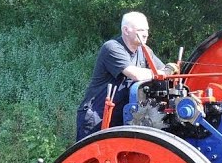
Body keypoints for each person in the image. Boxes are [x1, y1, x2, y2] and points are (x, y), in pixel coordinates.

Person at [74, 11, 178, 142]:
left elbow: (164, 71)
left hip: (121, 117)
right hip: (97, 117)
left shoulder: (145, 50)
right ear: (126, 30)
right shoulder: (112, 48)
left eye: (146, 30)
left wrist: (168, 70)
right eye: (140, 30)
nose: (145, 34)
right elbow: (136, 74)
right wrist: (163, 72)